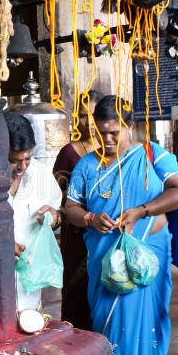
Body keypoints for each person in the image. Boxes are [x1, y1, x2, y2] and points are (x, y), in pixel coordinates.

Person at [64, 95, 178, 355]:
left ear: (129, 126)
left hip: (147, 256)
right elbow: (70, 208)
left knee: (148, 319)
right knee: (108, 322)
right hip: (105, 260)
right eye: (102, 132)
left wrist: (142, 211)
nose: (107, 140)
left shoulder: (152, 154)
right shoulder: (86, 166)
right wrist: (90, 218)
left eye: (114, 132)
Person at [53, 89, 103, 330]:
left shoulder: (114, 152)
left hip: (105, 234)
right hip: (76, 238)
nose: (88, 122)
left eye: (93, 115)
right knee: (76, 298)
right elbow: (58, 196)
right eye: (83, 115)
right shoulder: (68, 153)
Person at [4, 112, 63, 313]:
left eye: (27, 158)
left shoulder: (40, 175)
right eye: (13, 160)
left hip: (29, 288)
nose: (22, 166)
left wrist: (54, 217)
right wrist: (0, 245)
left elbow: (57, 215)